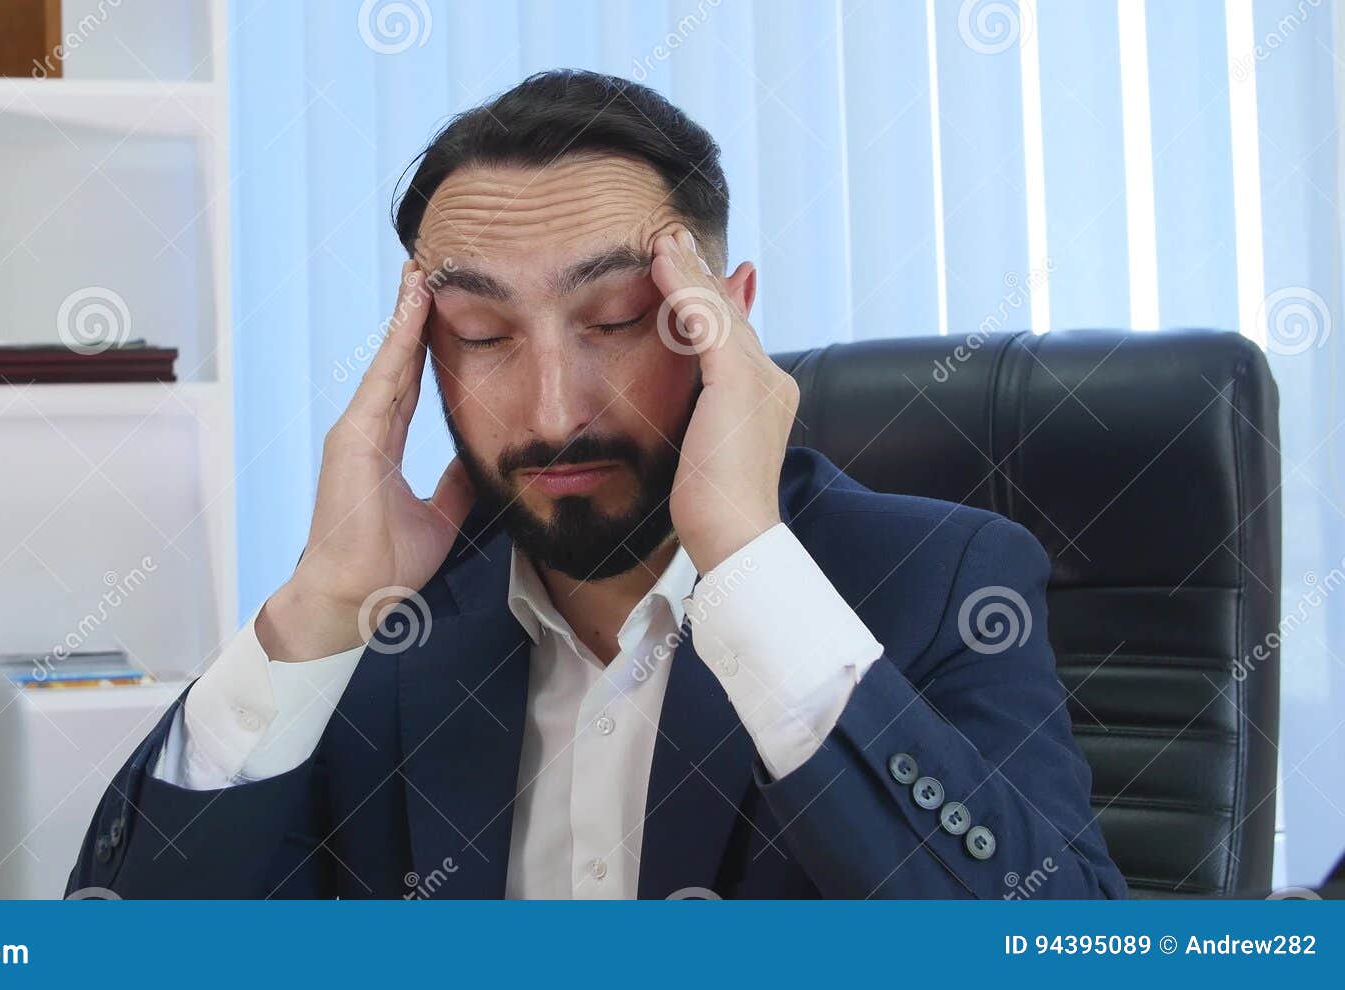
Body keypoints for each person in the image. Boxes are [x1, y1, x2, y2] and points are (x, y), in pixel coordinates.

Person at [67, 69, 1124, 899]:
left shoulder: (937, 583)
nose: (551, 409)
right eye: (481, 336)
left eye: (615, 321)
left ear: (726, 319)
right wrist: (318, 609)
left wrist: (746, 561)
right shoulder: (388, 629)